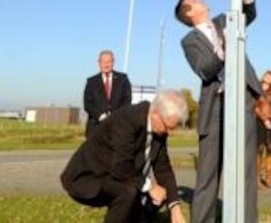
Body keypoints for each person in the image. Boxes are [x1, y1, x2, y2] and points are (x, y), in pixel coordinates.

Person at [176, 0, 262, 223]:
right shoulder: (189, 41)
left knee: (246, 170)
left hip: (243, 101)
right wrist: (225, 45)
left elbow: (250, 14)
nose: (202, 0)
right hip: (215, 108)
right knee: (208, 174)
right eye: (195, 1)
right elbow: (205, 69)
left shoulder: (226, 20)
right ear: (189, 12)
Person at [61, 90, 189, 223]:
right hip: (88, 177)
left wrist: (175, 207)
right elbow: (122, 167)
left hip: (116, 175)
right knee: (128, 191)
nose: (168, 133)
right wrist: (151, 187)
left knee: (160, 194)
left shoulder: (159, 129)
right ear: (155, 112)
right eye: (167, 127)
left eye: (172, 129)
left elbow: (163, 168)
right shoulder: (128, 118)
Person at [83, 49, 132, 138]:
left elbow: (127, 101)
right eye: (103, 61)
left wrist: (114, 116)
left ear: (113, 62)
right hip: (96, 128)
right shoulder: (91, 82)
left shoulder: (123, 79)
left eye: (109, 61)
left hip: (117, 127)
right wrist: (101, 116)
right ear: (99, 63)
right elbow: (88, 104)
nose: (106, 64)